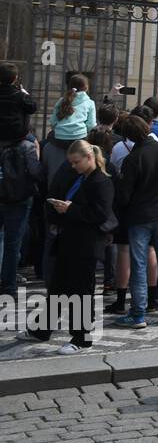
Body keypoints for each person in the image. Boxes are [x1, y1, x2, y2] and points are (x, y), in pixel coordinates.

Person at [20, 140, 114, 352]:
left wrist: (70, 209)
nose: (73, 166)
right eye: (71, 162)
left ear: (89, 158)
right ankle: (42, 329)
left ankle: (82, 338)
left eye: (76, 162)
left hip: (86, 245)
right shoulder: (81, 177)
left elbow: (100, 214)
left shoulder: (101, 181)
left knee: (80, 292)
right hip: (69, 240)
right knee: (58, 287)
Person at [113, 115, 158, 328]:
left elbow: (124, 196)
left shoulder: (134, 158)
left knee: (139, 264)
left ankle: (138, 314)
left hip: (140, 216)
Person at [0, 67, 40, 298]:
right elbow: (32, 106)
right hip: (17, 192)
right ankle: (8, 285)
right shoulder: (18, 96)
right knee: (14, 238)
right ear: (15, 79)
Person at [46, 73, 95, 182]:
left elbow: (53, 121)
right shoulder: (89, 103)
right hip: (79, 137)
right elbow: (91, 125)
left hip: (59, 138)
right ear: (86, 87)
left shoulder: (61, 101)